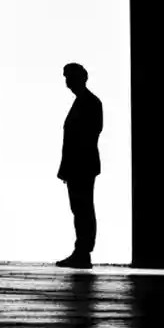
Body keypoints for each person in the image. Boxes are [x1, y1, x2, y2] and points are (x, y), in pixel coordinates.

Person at [55, 62, 102, 269]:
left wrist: (70, 166)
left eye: (69, 77)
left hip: (81, 165)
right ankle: (82, 250)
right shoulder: (85, 102)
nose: (67, 82)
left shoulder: (89, 103)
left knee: (82, 208)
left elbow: (84, 138)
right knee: (80, 208)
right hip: (79, 165)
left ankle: (83, 251)